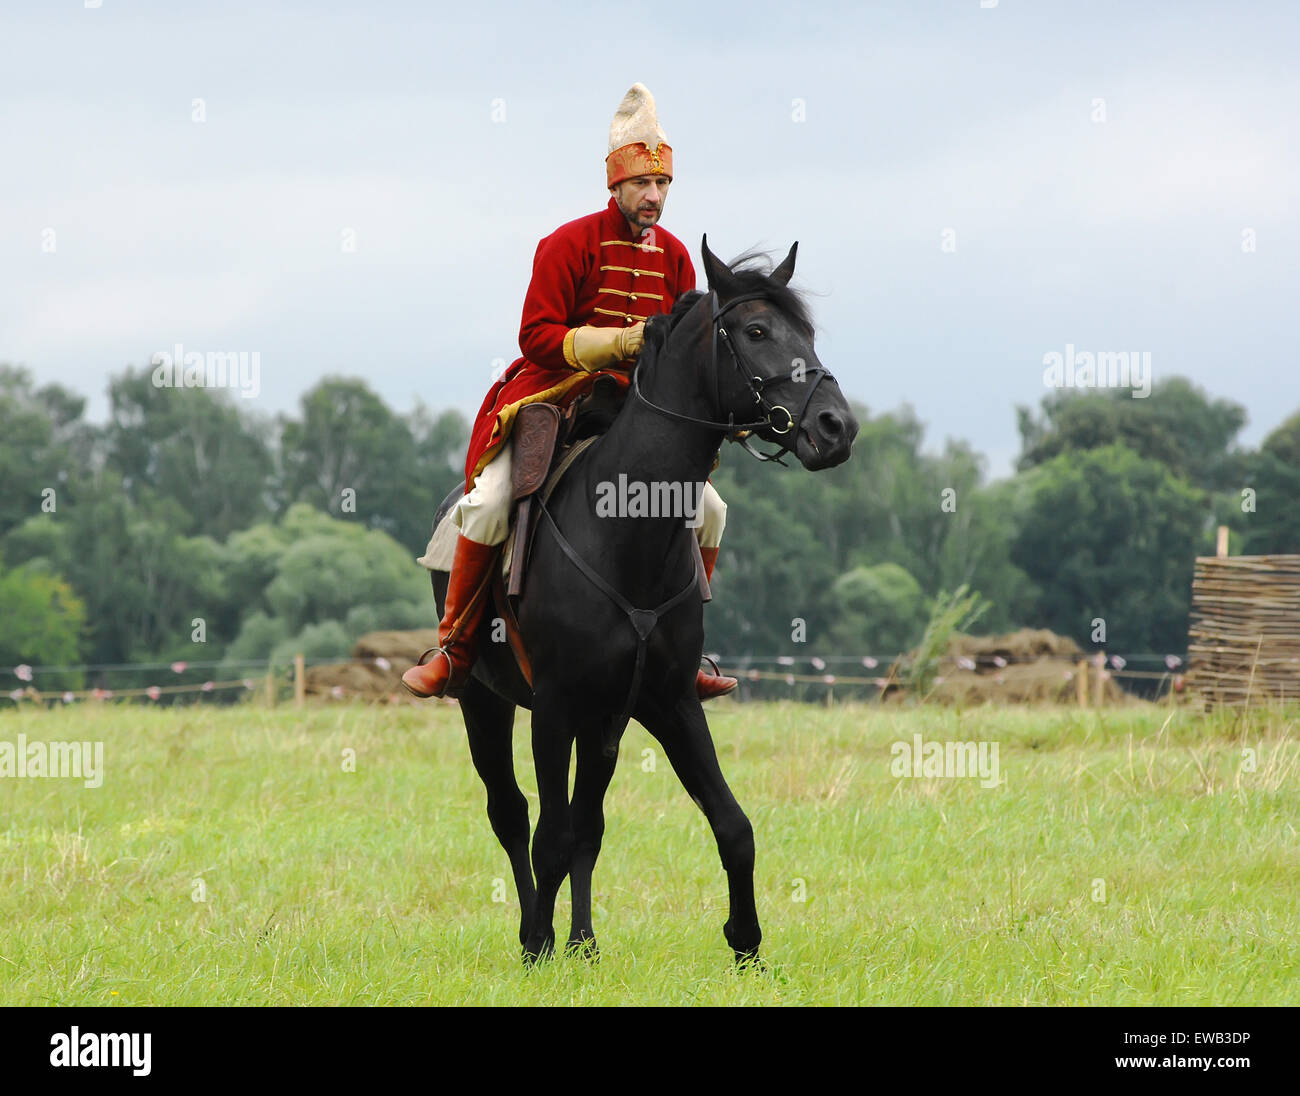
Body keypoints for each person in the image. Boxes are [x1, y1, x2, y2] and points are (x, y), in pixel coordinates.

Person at [403, 83, 737, 701]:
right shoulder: (566, 244)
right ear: (615, 185)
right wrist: (617, 344)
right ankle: (454, 647)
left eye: (663, 186)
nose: (655, 197)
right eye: (643, 185)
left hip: (635, 415)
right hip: (554, 399)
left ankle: (683, 652)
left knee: (711, 509)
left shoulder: (676, 259)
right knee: (487, 502)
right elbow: (535, 335)